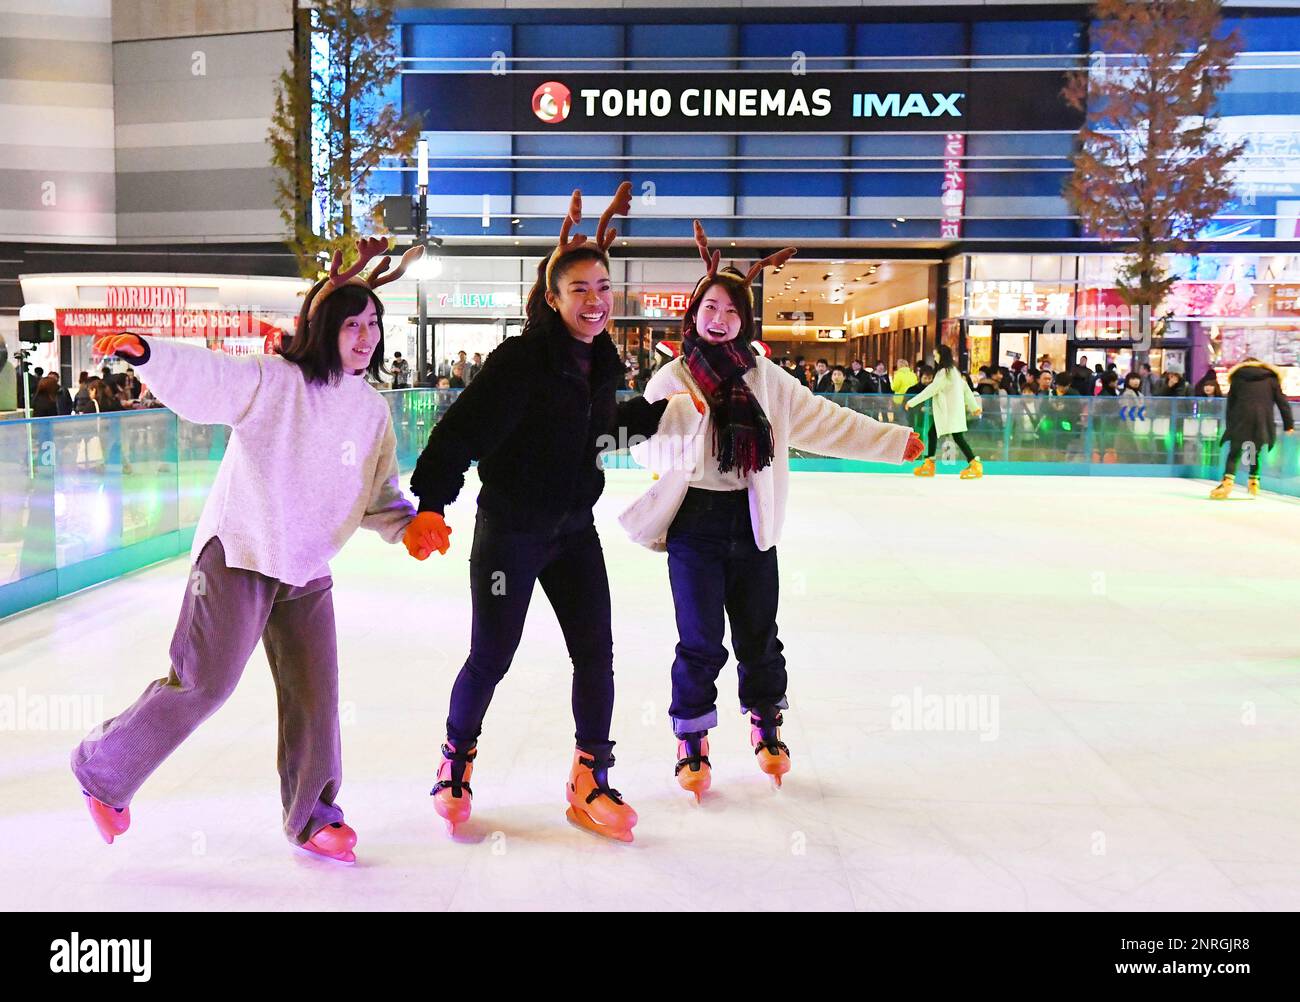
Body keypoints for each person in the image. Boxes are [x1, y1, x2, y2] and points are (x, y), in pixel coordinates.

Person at [70, 237, 422, 865]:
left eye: (374, 325)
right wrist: (147, 354)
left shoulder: (370, 411)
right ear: (325, 329)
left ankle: (314, 815)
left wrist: (408, 525)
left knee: (317, 696)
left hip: (308, 567)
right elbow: (211, 380)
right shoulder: (274, 381)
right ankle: (104, 769)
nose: (367, 338)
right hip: (241, 549)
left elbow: (379, 491)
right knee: (204, 684)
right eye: (353, 325)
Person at [618, 219, 921, 801]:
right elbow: (643, 448)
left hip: (751, 525)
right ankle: (692, 739)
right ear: (694, 313)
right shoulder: (671, 378)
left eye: (731, 312)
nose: (719, 319)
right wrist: (679, 419)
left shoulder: (768, 381)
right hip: (694, 524)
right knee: (700, 639)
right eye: (710, 307)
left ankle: (766, 725)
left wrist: (889, 442)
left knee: (759, 635)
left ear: (744, 322)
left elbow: (824, 421)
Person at [405, 184, 671, 844]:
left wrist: (661, 415)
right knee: (492, 655)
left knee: (596, 657)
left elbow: (602, 431)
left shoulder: (602, 363)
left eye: (603, 287)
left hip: (573, 532)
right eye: (579, 288)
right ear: (552, 298)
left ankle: (590, 779)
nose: (595, 300)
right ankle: (455, 763)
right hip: (511, 532)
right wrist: (433, 503)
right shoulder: (521, 361)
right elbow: (458, 432)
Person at [1209, 357, 1296, 499]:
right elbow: (1282, 402)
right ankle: (1254, 481)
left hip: (1240, 419)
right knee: (1254, 451)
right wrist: (1289, 424)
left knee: (1234, 452)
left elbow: (1231, 404)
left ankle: (1227, 483)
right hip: (1262, 421)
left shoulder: (1238, 377)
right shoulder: (1271, 378)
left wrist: (1230, 425)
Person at [906, 344, 984, 479]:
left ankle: (974, 464)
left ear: (941, 356)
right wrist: (974, 406)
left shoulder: (944, 373)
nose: (934, 357)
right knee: (935, 434)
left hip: (947, 412)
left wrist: (912, 402)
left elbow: (931, 390)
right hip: (950, 412)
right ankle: (930, 463)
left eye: (936, 354)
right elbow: (965, 388)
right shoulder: (953, 371)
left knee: (956, 437)